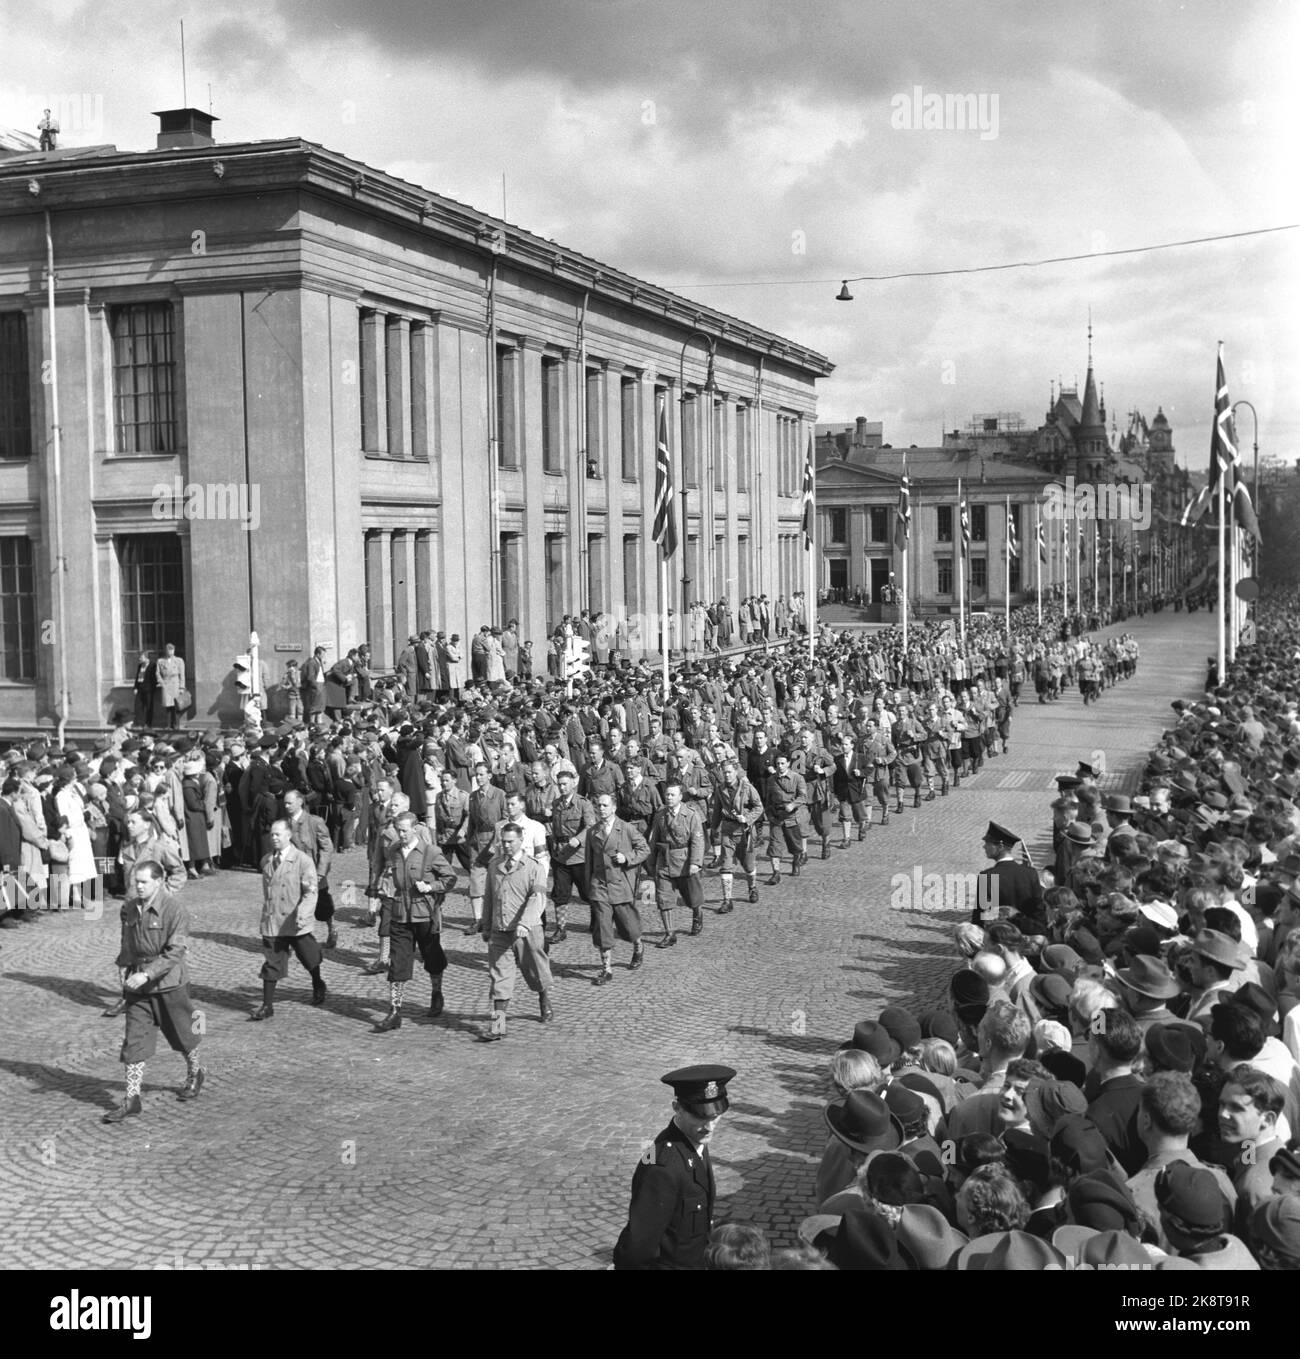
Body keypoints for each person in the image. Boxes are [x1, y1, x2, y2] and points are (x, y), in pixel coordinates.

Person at [102, 860, 204, 1123]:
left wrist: (147, 973)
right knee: (135, 1040)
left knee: (184, 1035)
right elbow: (128, 942)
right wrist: (125, 968)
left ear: (159, 881)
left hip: (169, 984)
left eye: (144, 881)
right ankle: (131, 1099)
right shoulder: (129, 908)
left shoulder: (175, 909)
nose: (138, 886)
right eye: (136, 881)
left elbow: (176, 951)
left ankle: (195, 1072)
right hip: (138, 989)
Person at [612, 1065, 736, 1270]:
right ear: (677, 1107)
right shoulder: (662, 1167)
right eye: (699, 1116)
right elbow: (638, 1247)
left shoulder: (693, 1140)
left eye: (714, 1117)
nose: (709, 1127)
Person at [373, 812, 457, 1032]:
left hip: (425, 914)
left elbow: (450, 878)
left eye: (404, 830)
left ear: (414, 829)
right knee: (398, 962)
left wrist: (431, 887)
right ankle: (394, 1011)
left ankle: (436, 993)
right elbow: (387, 875)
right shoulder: (393, 851)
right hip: (401, 914)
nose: (400, 835)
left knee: (432, 958)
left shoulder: (431, 852)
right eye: (397, 830)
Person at [478, 822, 553, 1041]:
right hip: (501, 930)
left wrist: (525, 922)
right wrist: (486, 924)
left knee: (535, 971)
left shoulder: (534, 867)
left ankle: (543, 997)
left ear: (521, 841)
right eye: (504, 841)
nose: (507, 845)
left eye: (511, 841)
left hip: (527, 931)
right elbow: (490, 897)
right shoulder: (494, 865)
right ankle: (498, 1027)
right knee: (500, 978)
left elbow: (538, 898)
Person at [251, 818, 326, 1020]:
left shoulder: (302, 861)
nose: (273, 838)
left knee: (309, 957)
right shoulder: (267, 861)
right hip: (273, 921)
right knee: (272, 962)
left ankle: (317, 982)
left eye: (278, 834)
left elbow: (311, 892)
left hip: (295, 920)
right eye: (272, 834)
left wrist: (303, 913)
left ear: (288, 835)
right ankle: (267, 1006)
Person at [584, 791, 649, 984]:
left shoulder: (626, 828)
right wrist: (590, 886)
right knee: (603, 929)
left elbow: (644, 849)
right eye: (599, 805)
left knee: (629, 928)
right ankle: (606, 969)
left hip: (621, 885)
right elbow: (589, 860)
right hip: (600, 886)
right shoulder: (592, 831)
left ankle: (638, 946)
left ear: (614, 807)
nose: (601, 809)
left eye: (605, 805)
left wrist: (627, 858)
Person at [646, 780, 705, 946]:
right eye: (667, 794)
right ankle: (669, 933)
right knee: (664, 898)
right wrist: (650, 863)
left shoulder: (691, 815)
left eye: (673, 795)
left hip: (685, 861)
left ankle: (697, 914)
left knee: (692, 897)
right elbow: (654, 839)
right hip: (664, 861)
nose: (669, 797)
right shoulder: (660, 815)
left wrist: (695, 862)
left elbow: (697, 840)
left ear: (680, 796)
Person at [155, 642, 186, 730]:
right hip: (166, 684)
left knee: (176, 705)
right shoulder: (160, 661)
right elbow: (157, 673)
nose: (170, 651)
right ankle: (168, 725)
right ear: (165, 650)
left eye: (172, 649)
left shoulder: (179, 661)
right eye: (168, 650)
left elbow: (182, 675)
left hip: (175, 684)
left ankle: (176, 724)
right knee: (168, 706)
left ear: (174, 650)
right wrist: (161, 682)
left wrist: (182, 687)